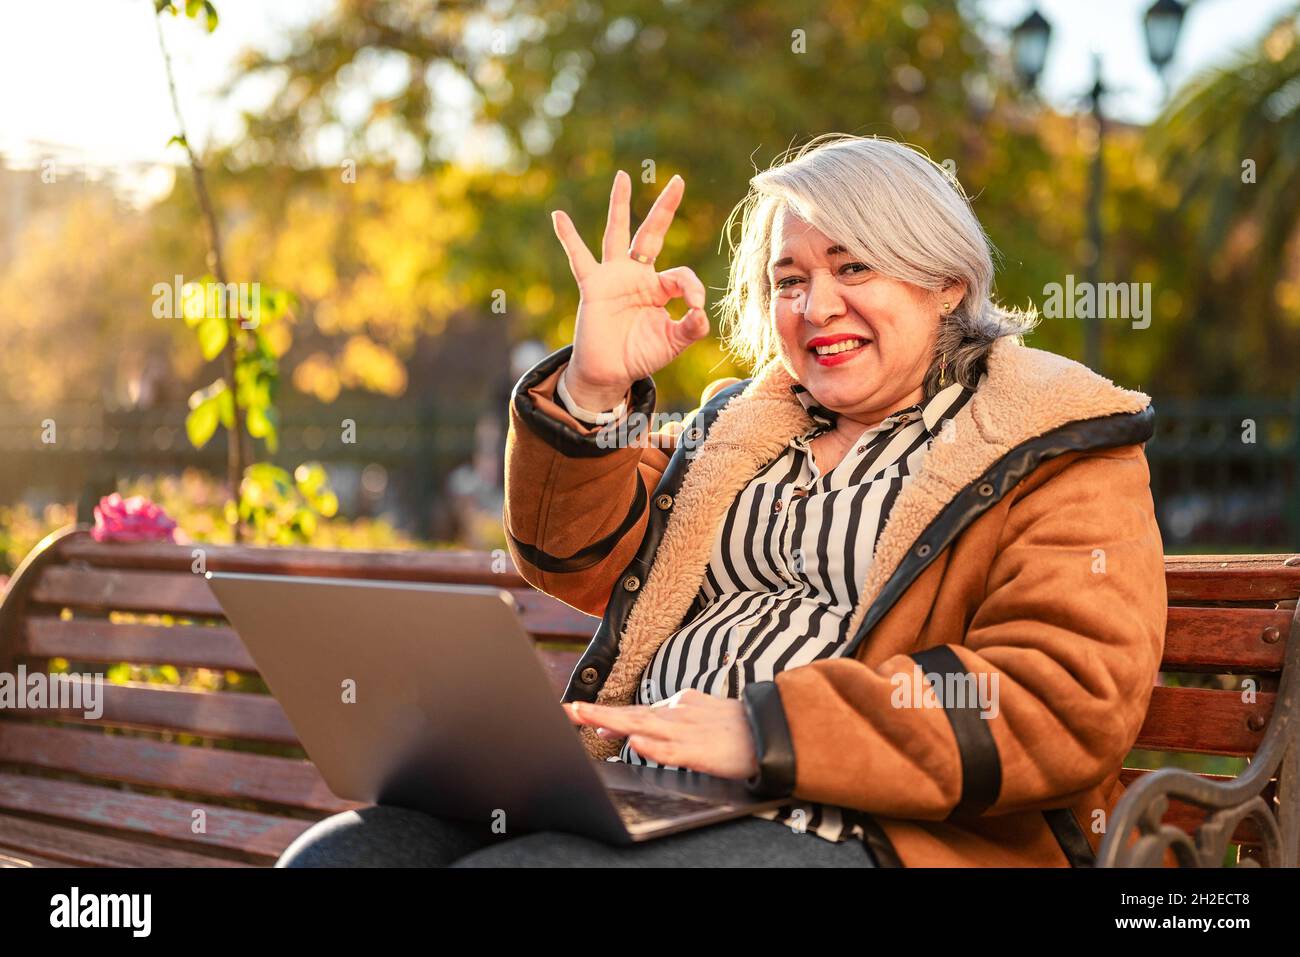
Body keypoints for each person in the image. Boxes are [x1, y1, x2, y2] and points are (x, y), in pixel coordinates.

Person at [278, 133, 1166, 868]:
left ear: (946, 284)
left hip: (864, 832)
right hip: (643, 793)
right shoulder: (742, 427)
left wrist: (764, 730)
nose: (817, 305)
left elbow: (1064, 696)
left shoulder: (1053, 438)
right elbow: (570, 554)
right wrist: (592, 384)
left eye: (854, 266)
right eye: (788, 280)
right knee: (341, 857)